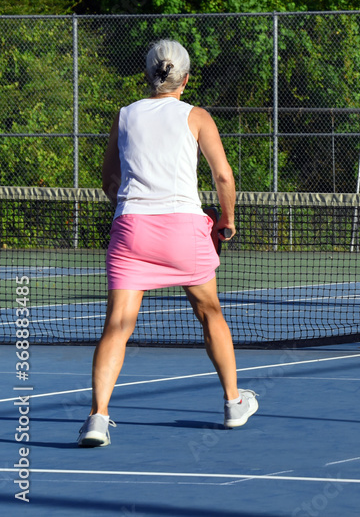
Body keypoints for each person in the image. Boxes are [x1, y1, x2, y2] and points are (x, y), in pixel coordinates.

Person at [78, 40, 257, 447]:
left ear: (148, 76)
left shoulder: (124, 116)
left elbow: (109, 180)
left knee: (117, 326)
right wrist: (226, 221)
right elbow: (224, 177)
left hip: (131, 230)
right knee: (210, 312)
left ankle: (97, 418)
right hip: (184, 231)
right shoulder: (197, 116)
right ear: (186, 78)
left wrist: (132, 209)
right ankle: (233, 403)